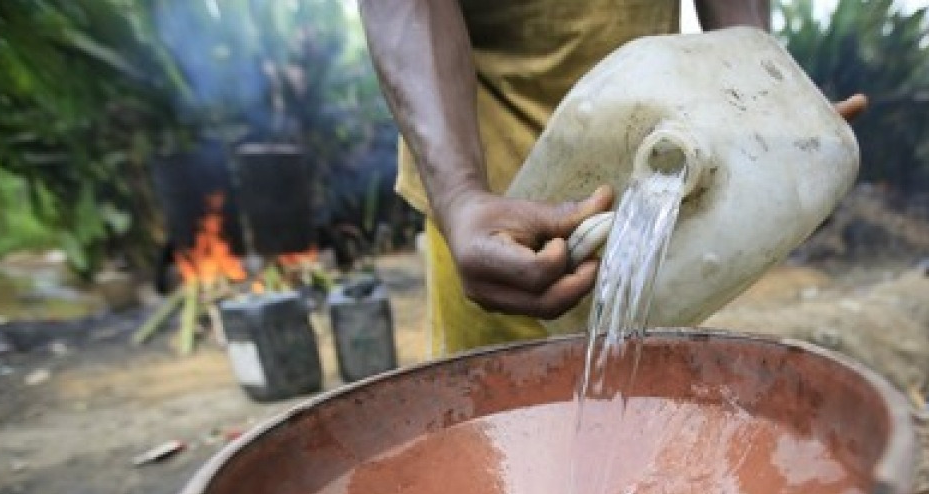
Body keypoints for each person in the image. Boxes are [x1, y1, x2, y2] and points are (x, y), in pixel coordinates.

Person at [358, 0, 865, 356]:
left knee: (636, 425)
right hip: (497, 212)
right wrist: (459, 193)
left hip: (659, 206)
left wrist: (765, 90)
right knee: (503, 434)